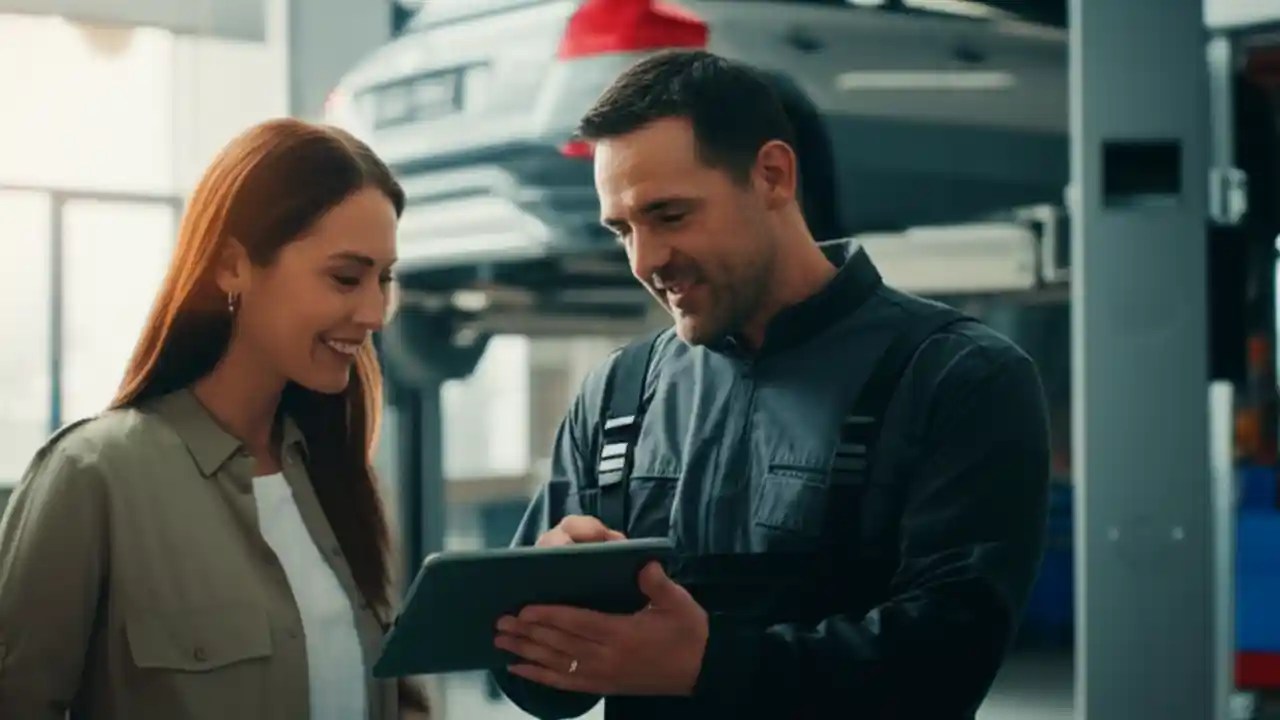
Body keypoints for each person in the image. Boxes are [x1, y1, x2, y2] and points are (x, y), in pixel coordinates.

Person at [491, 50, 1051, 719]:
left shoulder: (959, 379)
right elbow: (529, 680)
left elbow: (944, 664)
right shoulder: (618, 396)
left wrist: (706, 664)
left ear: (773, 176)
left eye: (669, 215)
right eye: (623, 231)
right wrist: (542, 614)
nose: (645, 260)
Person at [0, 118, 429, 719]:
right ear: (232, 265)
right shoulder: (94, 476)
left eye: (384, 280)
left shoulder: (338, 477)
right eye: (345, 277)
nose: (375, 312)